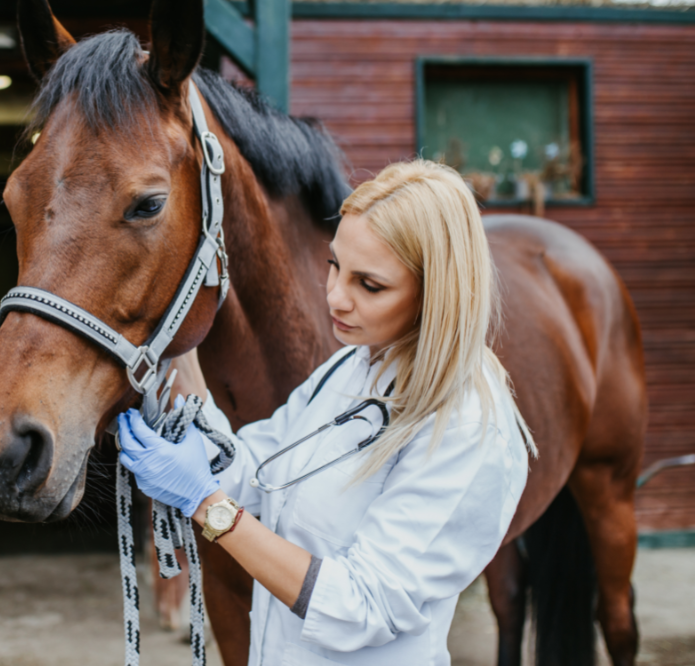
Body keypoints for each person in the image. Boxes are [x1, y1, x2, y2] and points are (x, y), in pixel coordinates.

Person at [117, 159, 536, 665]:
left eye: (370, 285)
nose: (335, 296)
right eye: (336, 264)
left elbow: (360, 607)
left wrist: (207, 506)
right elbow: (256, 472)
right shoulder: (351, 366)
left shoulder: (466, 427)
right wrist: (181, 371)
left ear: (437, 294)